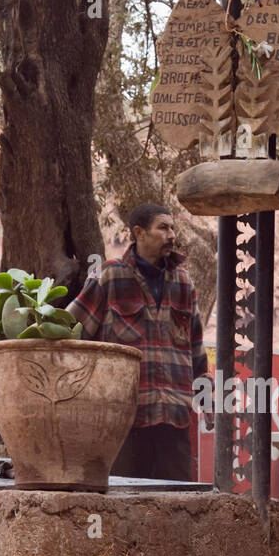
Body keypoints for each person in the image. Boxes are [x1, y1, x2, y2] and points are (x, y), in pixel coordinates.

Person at [67, 203, 210, 481]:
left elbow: (196, 350)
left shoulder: (183, 282)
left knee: (178, 505)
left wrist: (206, 399)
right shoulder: (110, 276)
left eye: (173, 228)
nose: (172, 235)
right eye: (163, 228)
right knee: (125, 503)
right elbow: (74, 333)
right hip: (125, 421)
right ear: (139, 233)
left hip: (174, 418)